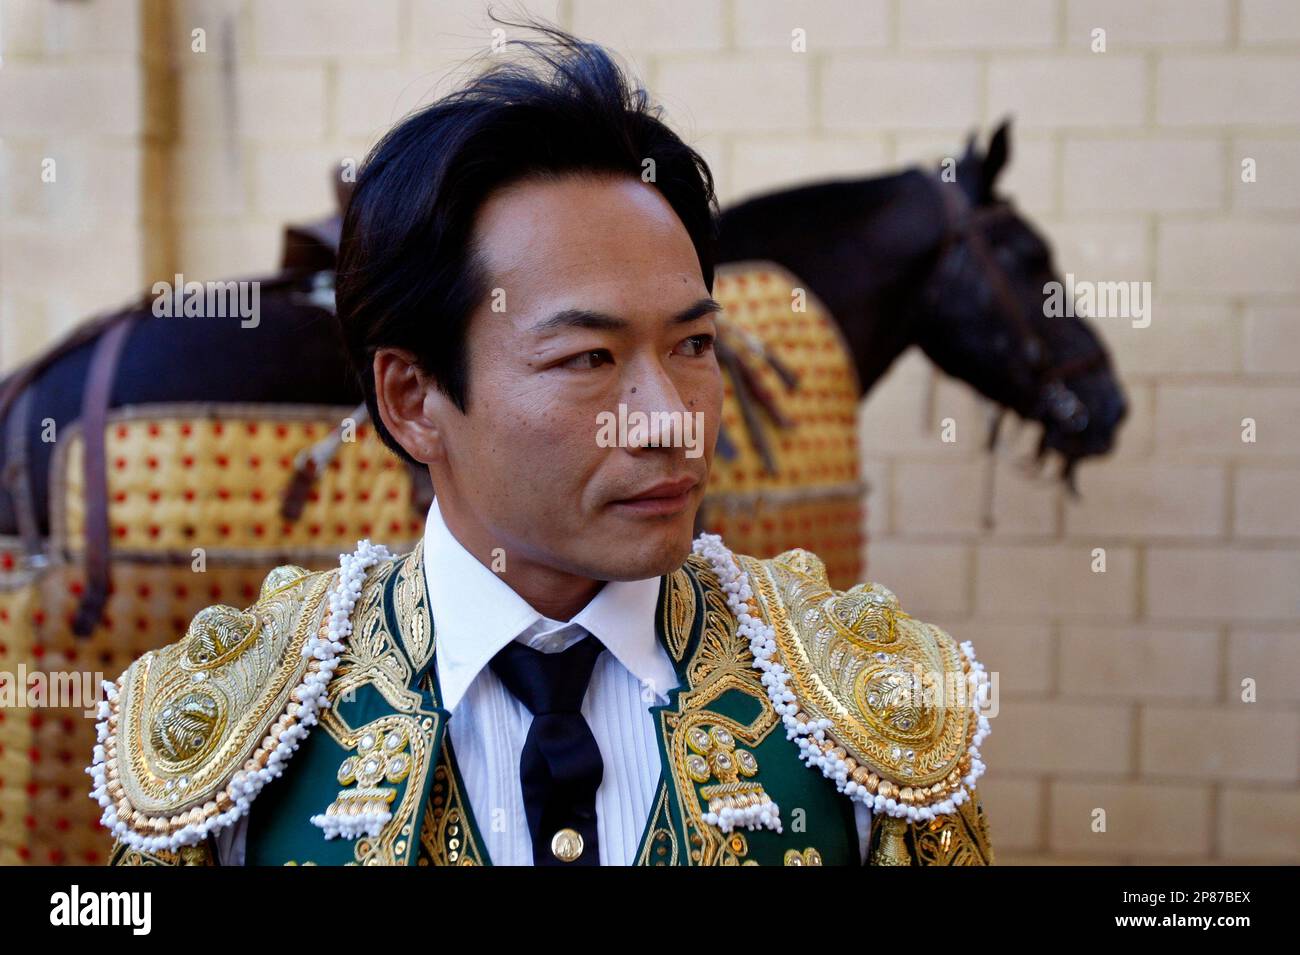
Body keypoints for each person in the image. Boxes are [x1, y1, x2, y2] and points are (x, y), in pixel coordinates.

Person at [89, 19, 993, 867]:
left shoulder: (874, 709)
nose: (669, 417)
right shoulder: (226, 735)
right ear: (413, 400)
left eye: (694, 345)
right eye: (587, 356)